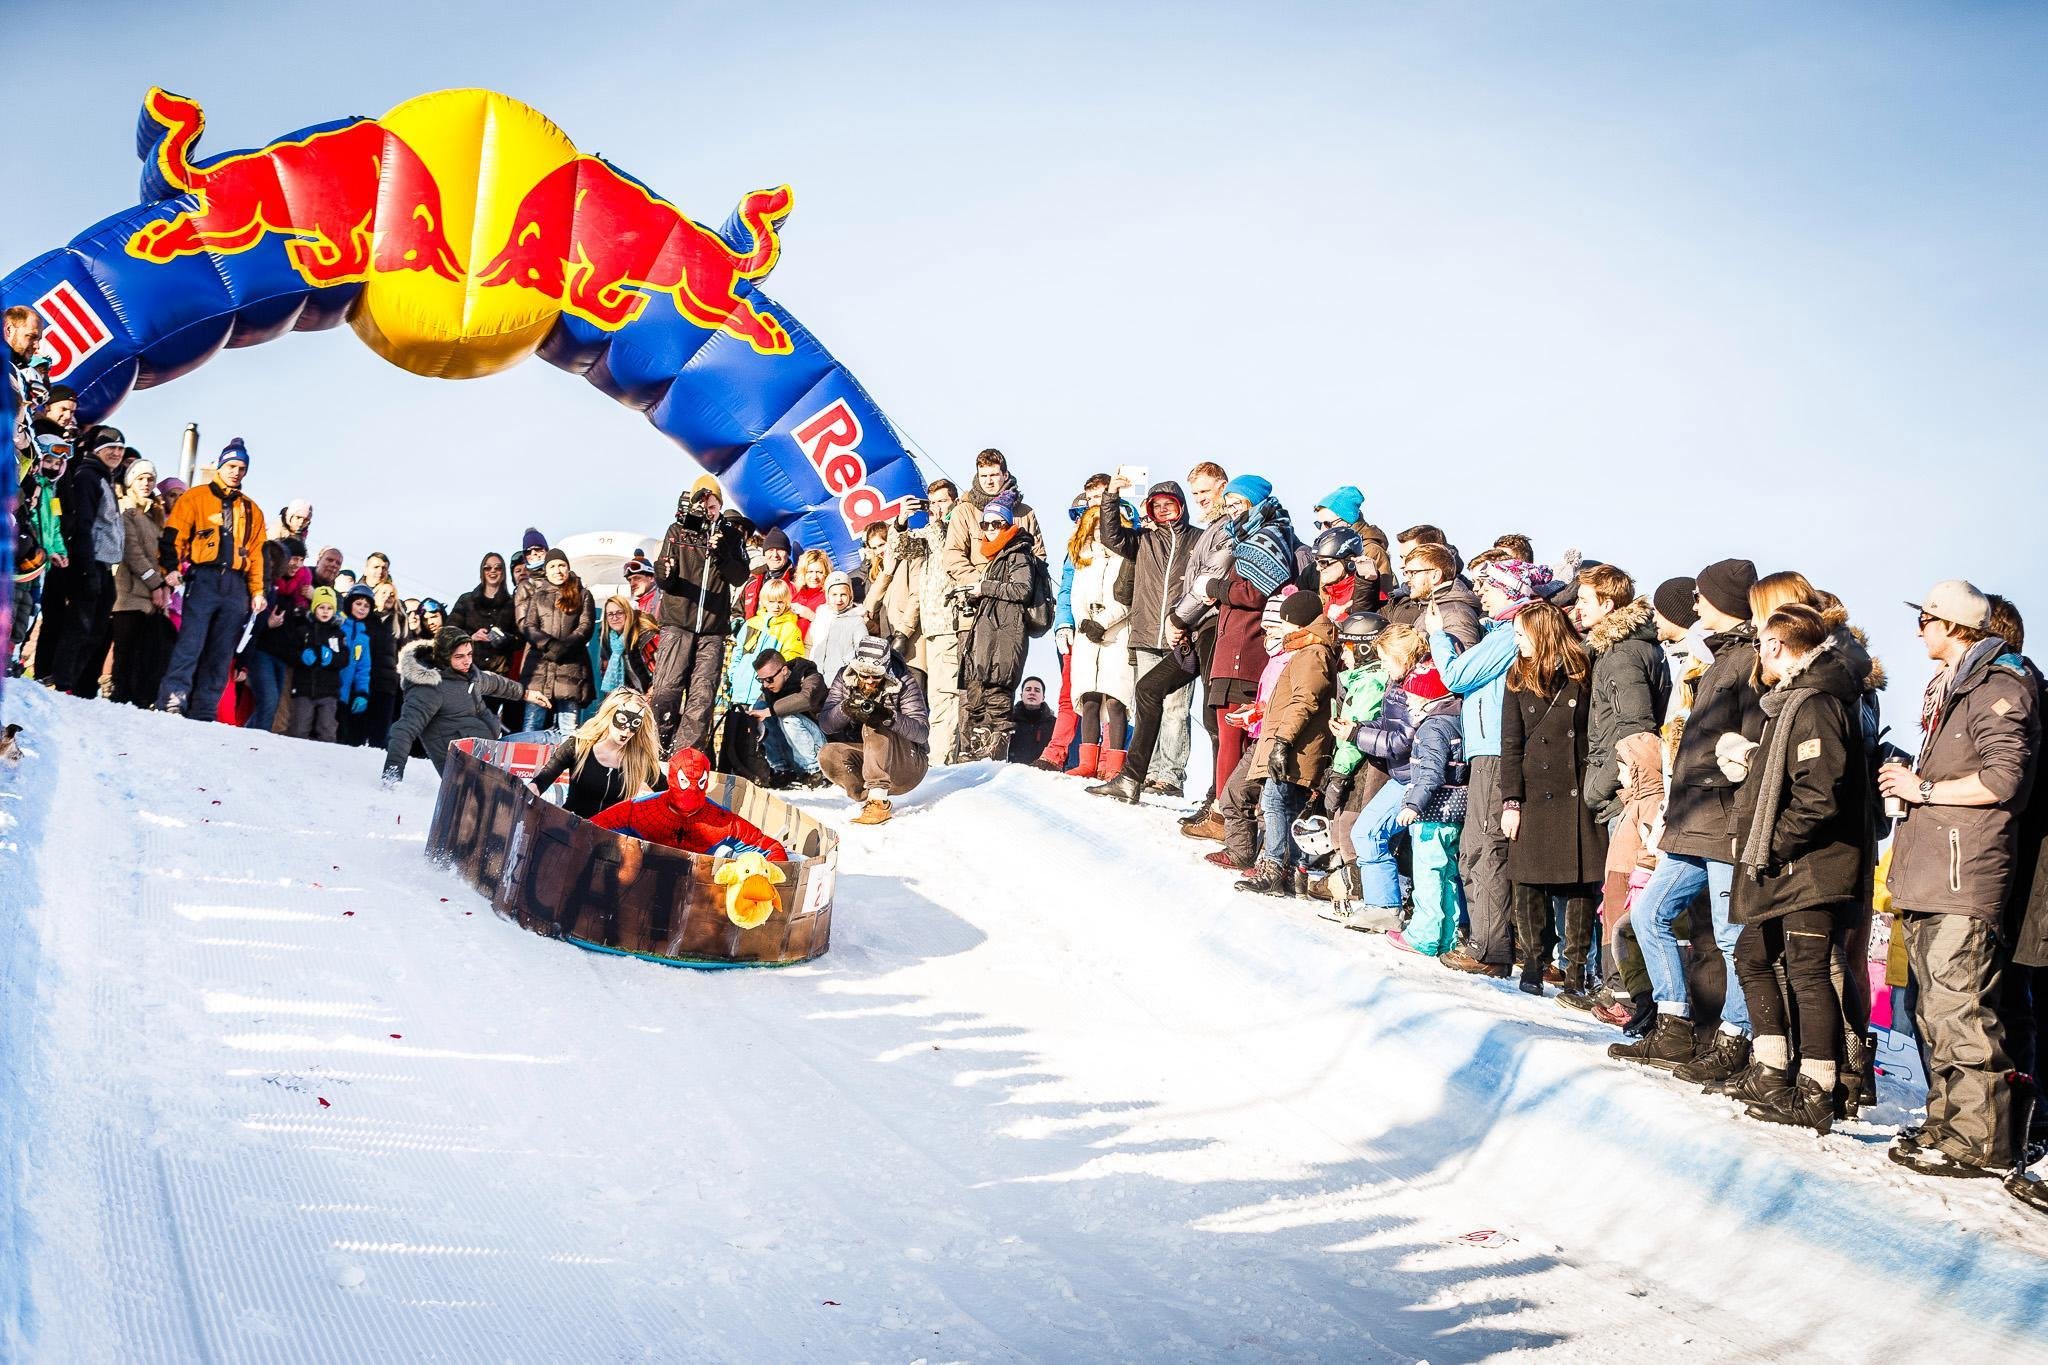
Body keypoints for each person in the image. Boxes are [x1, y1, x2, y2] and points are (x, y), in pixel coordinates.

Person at [1882, 580, 2039, 1178]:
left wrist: (1921, 789)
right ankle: (1949, 1125)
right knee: (1933, 1010)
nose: (1918, 629)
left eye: (1924, 618)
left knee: (1962, 1010)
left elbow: (2004, 782)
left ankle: (1981, 1143)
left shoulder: (1998, 686)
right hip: (1932, 873)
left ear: (1952, 625)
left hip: (1963, 876)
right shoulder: (1955, 688)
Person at [1718, 602, 1875, 1135]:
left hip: (1811, 865)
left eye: (1762, 642)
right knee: (1753, 954)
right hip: (1787, 863)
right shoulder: (1792, 702)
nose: (1757, 652)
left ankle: (1817, 1087)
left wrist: (1775, 845)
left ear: (1779, 647)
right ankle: (1771, 1068)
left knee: (1808, 971)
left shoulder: (1816, 703)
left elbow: (1819, 793)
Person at [1611, 559, 1764, 1074]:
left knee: (1728, 935)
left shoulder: (1747, 661)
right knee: (1649, 917)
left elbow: (1747, 749)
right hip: (1689, 817)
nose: (1694, 605)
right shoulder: (1715, 658)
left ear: (1722, 600)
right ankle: (1673, 1023)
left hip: (1722, 820)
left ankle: (1734, 1038)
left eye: (1702, 596)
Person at [1432, 559, 1552, 978]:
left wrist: (1438, 635)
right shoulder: (1501, 633)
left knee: (1485, 849)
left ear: (1512, 591)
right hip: (1486, 750)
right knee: (1476, 848)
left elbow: (1455, 675)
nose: (1482, 592)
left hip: (1495, 752)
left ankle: (1492, 950)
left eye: (1491, 586)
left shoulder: (1509, 636)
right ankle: (1495, 941)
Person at [1499, 599, 1607, 999]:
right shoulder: (1516, 676)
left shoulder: (1583, 670)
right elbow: (1510, 744)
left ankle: (1576, 970)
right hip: (1532, 790)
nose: (1516, 642)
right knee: (1528, 879)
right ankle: (1532, 962)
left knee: (1579, 883)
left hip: (1577, 790)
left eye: (1520, 634)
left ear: (1542, 634)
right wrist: (1511, 801)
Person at [156, 438, 267, 718]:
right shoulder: (196, 497)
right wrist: (169, 568)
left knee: (221, 652)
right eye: (231, 465)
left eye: (242, 468)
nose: (236, 472)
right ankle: (172, 699)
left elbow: (257, 555)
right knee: (190, 643)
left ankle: (205, 709)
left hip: (236, 586)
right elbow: (173, 536)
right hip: (203, 578)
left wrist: (257, 591)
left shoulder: (252, 510)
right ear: (220, 466)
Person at [1239, 591, 1340, 896]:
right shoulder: (1309, 652)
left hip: (1297, 747)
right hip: (1298, 745)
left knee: (1273, 801)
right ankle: (1291, 872)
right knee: (1289, 807)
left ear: (1296, 622)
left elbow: (1304, 701)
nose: (1280, 629)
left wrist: (1282, 741)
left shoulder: (1314, 654)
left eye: (1283, 622)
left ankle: (1273, 868)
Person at [650, 475, 751, 753]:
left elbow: (740, 575)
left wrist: (722, 555)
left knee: (702, 697)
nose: (709, 509)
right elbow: (666, 577)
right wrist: (663, 573)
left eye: (714, 503)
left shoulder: (730, 535)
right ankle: (659, 746)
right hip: (678, 623)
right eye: (703, 503)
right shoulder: (678, 530)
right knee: (666, 689)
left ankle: (685, 755)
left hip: (713, 629)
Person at [35, 426, 125, 696]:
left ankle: (69, 681)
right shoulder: (89, 476)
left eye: (120, 448)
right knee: (80, 624)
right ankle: (61, 681)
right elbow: (83, 523)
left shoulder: (105, 477)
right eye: (110, 448)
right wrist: (85, 568)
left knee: (96, 628)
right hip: (90, 560)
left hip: (103, 563)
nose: (117, 453)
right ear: (97, 451)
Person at [1387, 661, 1468, 958]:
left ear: (1429, 696)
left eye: (1413, 694)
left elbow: (1432, 773)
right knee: (1446, 874)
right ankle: (1446, 935)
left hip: (1433, 813)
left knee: (1428, 875)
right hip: (1454, 812)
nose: (1407, 699)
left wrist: (1412, 804)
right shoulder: (1455, 721)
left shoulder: (1433, 728)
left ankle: (1423, 935)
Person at [592, 747, 789, 861]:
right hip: (642, 884)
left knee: (728, 855)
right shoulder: (640, 809)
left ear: (706, 782)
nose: (691, 792)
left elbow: (773, 850)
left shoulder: (722, 821)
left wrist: (761, 878)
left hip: (699, 897)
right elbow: (591, 828)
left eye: (699, 783)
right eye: (685, 782)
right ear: (672, 778)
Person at [956, 496, 1039, 761]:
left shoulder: (1018, 553)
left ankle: (994, 756)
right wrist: (973, 595)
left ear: (1008, 525)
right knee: (977, 696)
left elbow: (1022, 590)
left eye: (996, 523)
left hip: (1005, 636)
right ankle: (976, 752)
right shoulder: (997, 556)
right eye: (986, 524)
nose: (990, 529)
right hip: (989, 635)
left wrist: (984, 587)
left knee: (997, 696)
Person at [1064, 484, 1138, 781]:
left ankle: (1115, 762)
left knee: (1116, 698)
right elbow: (1075, 594)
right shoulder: (1083, 558)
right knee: (1089, 697)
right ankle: (1087, 760)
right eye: (1093, 525)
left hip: (1116, 632)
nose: (1098, 531)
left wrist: (1104, 622)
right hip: (1087, 632)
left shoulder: (1125, 556)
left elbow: (1128, 598)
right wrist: (1083, 620)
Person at [382, 628, 525, 782]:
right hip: (463, 770)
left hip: (488, 753)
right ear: (444, 656)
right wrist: (392, 776)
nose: (467, 661)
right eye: (459, 656)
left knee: (544, 743)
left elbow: (494, 683)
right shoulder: (428, 688)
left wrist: (525, 693)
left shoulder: (468, 675)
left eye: (469, 654)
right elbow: (404, 730)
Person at [818, 636, 931, 824]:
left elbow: (921, 732)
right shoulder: (845, 678)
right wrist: (845, 708)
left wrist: (888, 716)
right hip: (870, 757)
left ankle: (878, 802)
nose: (870, 681)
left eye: (877, 676)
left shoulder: (905, 681)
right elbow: (826, 725)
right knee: (828, 753)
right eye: (865, 675)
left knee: (875, 723)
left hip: (907, 764)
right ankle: (868, 795)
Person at [529, 689, 663, 818]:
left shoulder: (639, 759)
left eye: (634, 723)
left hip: (612, 836)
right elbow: (541, 781)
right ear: (609, 716)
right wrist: (525, 796)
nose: (627, 730)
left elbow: (670, 792)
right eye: (622, 720)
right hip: (572, 829)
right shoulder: (578, 747)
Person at [108, 460, 172, 708]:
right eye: (141, 479)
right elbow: (131, 551)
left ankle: (136, 702)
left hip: (150, 598)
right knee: (123, 652)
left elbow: (159, 557)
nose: (146, 483)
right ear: (130, 482)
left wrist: (163, 585)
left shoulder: (154, 516)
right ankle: (117, 697)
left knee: (143, 655)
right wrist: (156, 584)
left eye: (150, 479)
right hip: (127, 593)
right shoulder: (126, 510)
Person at [515, 549, 594, 733]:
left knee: (569, 729)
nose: (557, 570)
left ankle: (567, 762)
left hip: (571, 669)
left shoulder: (583, 594)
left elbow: (585, 627)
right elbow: (530, 626)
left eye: (561, 565)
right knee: (532, 725)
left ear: (568, 568)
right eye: (552, 566)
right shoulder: (538, 595)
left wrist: (564, 647)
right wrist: (550, 645)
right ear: (546, 570)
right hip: (539, 671)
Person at [943, 449, 1049, 582]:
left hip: (1020, 592)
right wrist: (982, 584)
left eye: (993, 475)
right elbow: (953, 556)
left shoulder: (1025, 513)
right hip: (979, 594)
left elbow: (1038, 555)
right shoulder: (964, 512)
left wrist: (1024, 584)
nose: (988, 481)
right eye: (983, 476)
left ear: (1005, 475)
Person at [241, 536, 309, 731]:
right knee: (268, 700)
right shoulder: (267, 583)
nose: (296, 564)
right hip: (262, 652)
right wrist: (267, 624)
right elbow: (249, 620)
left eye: (301, 559)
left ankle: (246, 736)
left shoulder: (302, 589)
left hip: (283, 655)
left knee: (271, 705)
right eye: (293, 558)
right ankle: (254, 742)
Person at [750, 648, 831, 787]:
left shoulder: (810, 676)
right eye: (761, 680)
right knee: (759, 708)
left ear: (784, 671)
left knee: (787, 716)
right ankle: (782, 769)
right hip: (794, 749)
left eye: (769, 679)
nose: (765, 684)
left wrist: (770, 711)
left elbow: (807, 698)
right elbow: (762, 710)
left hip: (822, 745)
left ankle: (814, 771)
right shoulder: (769, 689)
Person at [285, 586, 356, 743]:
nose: (325, 611)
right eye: (321, 607)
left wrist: (332, 658)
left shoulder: (338, 634)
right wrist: (301, 657)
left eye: (329, 608)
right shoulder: (303, 630)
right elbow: (290, 653)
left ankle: (325, 761)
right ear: (314, 608)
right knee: (298, 728)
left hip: (329, 690)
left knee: (327, 729)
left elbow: (344, 658)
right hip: (304, 687)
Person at [1387, 542, 1481, 649]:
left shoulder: (1456, 613)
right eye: (1406, 573)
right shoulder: (1434, 607)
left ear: (1435, 575)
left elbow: (1461, 662)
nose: (1407, 579)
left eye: (1413, 573)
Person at [808, 571, 867, 689]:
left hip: (840, 681)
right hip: (816, 678)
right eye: (834, 595)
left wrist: (848, 667)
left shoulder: (856, 620)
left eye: (843, 594)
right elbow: (811, 644)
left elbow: (862, 652)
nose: (839, 599)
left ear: (850, 595)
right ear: (827, 595)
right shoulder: (821, 615)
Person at [595, 593, 657, 701]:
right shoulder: (608, 642)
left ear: (627, 614)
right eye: (610, 614)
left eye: (619, 613)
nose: (615, 618)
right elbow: (605, 673)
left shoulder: (645, 636)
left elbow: (662, 672)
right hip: (631, 699)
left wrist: (650, 694)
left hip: (654, 696)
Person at [739, 528, 795, 621]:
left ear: (788, 553)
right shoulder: (753, 578)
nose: (775, 555)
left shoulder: (796, 581)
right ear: (764, 553)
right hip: (751, 632)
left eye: (780, 550)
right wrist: (737, 623)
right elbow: (737, 610)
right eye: (770, 550)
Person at [1009, 677, 1055, 763]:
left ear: (1043, 697)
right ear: (1021, 695)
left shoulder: (1055, 724)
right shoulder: (1008, 721)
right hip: (1011, 773)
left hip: (1044, 774)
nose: (1032, 693)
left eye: (1037, 690)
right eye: (1028, 689)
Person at [791, 549, 832, 635]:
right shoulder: (796, 593)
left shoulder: (830, 597)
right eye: (810, 572)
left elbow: (835, 629)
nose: (814, 577)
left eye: (819, 572)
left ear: (826, 573)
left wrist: (812, 616)